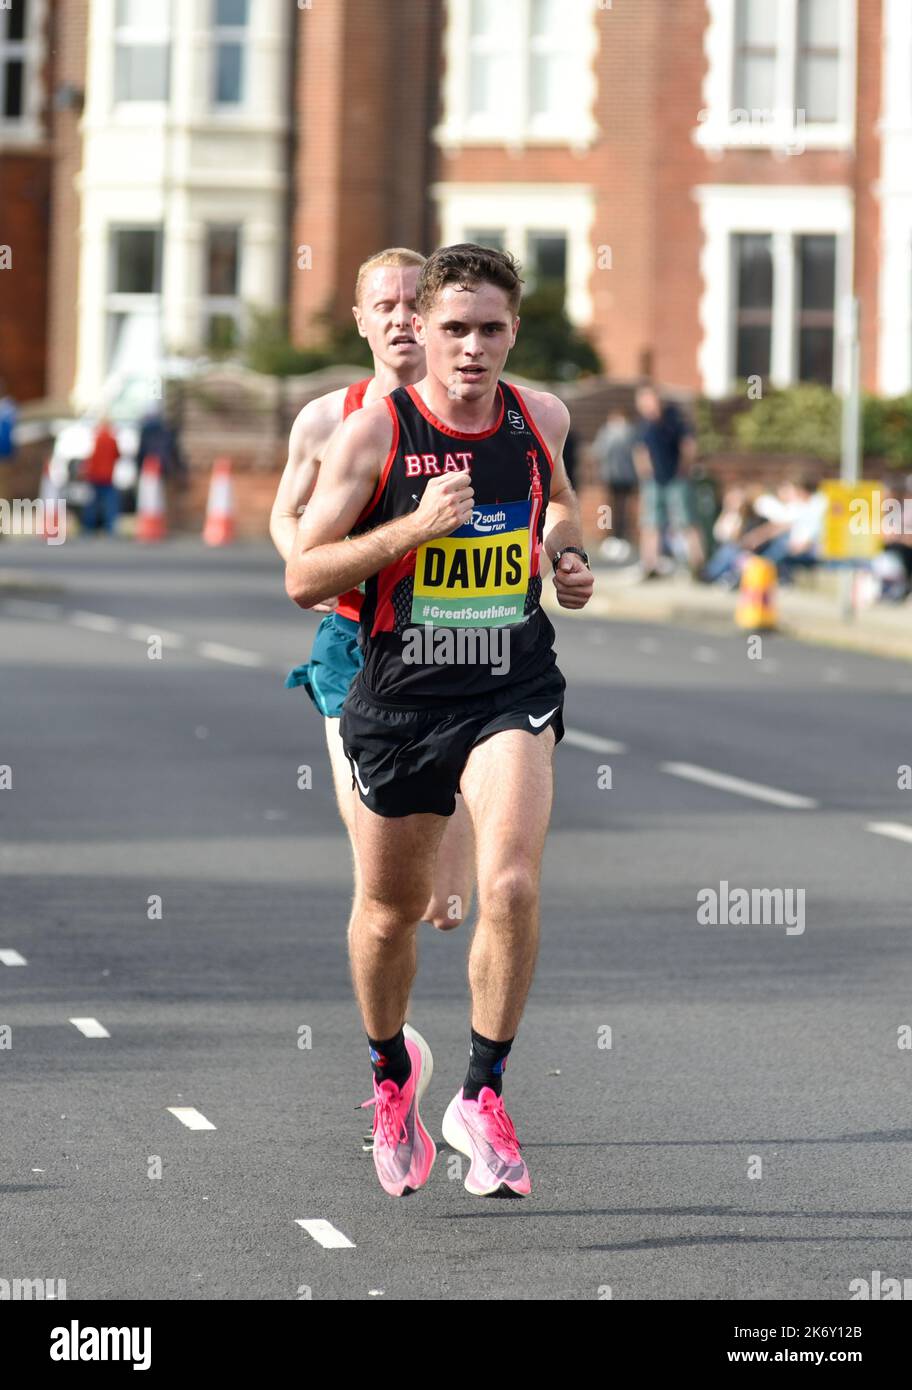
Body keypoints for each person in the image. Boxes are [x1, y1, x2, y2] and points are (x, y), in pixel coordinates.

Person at [286, 244, 594, 1199]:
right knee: (389, 916)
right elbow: (303, 573)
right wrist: (413, 529)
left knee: (508, 882)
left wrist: (568, 565)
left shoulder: (533, 420)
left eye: (491, 329)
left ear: (513, 332)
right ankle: (392, 1076)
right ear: (421, 326)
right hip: (401, 700)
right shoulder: (374, 435)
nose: (471, 348)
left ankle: (484, 1092)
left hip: (508, 684)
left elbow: (566, 512)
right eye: (454, 328)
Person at [270, 248, 475, 934]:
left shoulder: (479, 414)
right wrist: (311, 568)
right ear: (361, 321)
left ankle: (457, 802)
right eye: (384, 307)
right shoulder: (328, 419)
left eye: (416, 304)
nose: (402, 320)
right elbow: (286, 515)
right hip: (353, 640)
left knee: (443, 908)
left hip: (451, 640)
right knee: (376, 869)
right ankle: (390, 1036)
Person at [633, 384, 704, 577]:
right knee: (650, 523)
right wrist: (645, 475)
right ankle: (650, 565)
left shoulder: (674, 419)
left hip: (676, 479)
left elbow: (688, 446)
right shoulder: (644, 425)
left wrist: (683, 470)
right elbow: (640, 450)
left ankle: (697, 566)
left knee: (686, 520)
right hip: (654, 480)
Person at [592, 408, 637, 562]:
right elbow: (598, 451)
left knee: (624, 509)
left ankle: (622, 537)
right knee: (608, 508)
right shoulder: (607, 432)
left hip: (626, 476)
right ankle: (610, 537)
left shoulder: (630, 433)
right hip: (610, 476)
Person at [81, 419, 121, 536]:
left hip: (95, 476)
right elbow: (117, 455)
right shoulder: (112, 440)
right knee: (110, 504)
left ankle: (88, 528)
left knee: (92, 504)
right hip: (108, 477)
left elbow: (91, 458)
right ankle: (110, 528)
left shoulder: (96, 439)